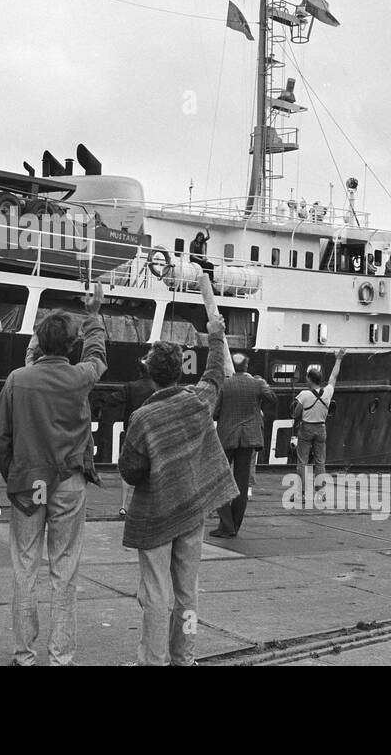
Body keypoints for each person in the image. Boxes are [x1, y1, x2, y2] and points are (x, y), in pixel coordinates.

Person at [119, 279, 238, 666]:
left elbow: (131, 471)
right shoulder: (198, 400)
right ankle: (184, 657)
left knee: (155, 594)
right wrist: (216, 337)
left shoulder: (143, 418)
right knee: (187, 591)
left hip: (156, 517)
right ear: (177, 373)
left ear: (151, 375)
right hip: (191, 512)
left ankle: (153, 660)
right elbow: (216, 374)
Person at [0, 283, 107, 667]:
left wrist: (14, 477)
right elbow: (97, 353)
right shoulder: (80, 377)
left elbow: (3, 437)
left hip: (30, 483)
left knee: (24, 568)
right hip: (69, 482)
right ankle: (61, 657)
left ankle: (24, 656)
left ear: (39, 344)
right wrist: (93, 314)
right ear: (70, 346)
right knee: (65, 570)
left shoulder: (17, 380)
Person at [212, 353, 275, 538]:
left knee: (218, 480)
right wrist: (263, 385)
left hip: (228, 437)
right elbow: (272, 399)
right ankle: (234, 526)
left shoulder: (225, 384)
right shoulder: (257, 384)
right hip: (248, 438)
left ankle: (226, 524)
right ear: (247, 366)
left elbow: (215, 413)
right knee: (241, 482)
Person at [291, 349, 346, 491]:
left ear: (309, 379)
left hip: (306, 429)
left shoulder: (304, 394)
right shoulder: (327, 392)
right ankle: (321, 490)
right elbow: (334, 376)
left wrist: (297, 417)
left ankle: (302, 492)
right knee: (320, 461)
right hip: (321, 428)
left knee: (302, 461)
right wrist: (338, 359)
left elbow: (296, 413)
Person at [117, 361, 156, 519]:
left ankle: (123, 506)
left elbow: (113, 399)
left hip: (132, 432)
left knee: (127, 468)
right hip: (152, 433)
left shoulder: (131, 386)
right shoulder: (156, 388)